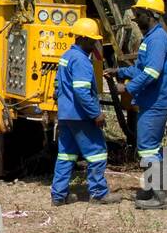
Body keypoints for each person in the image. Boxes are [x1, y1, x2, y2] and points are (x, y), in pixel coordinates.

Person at [115, 0, 167, 209]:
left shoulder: (158, 39)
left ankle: (160, 198)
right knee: (152, 149)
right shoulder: (150, 38)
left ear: (151, 15)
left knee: (147, 148)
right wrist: (120, 71)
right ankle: (153, 190)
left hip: (157, 101)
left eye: (139, 14)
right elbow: (141, 68)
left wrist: (127, 87)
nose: (135, 19)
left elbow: (152, 72)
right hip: (153, 100)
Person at [51, 17, 122, 207]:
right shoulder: (81, 61)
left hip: (66, 115)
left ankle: (58, 195)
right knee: (97, 152)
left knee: (66, 155)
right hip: (80, 116)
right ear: (82, 39)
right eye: (91, 40)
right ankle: (98, 193)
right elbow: (81, 91)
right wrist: (95, 114)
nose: (94, 44)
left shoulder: (66, 56)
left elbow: (57, 86)